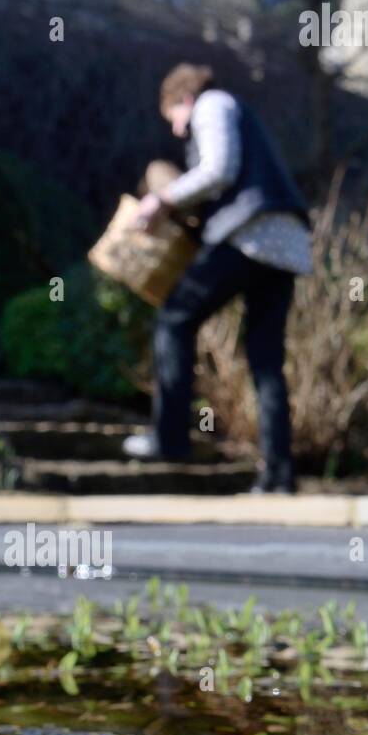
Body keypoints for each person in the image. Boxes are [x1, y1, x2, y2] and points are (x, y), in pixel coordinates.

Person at [128, 63, 312, 494]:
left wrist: (161, 200)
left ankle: (169, 439)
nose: (176, 131)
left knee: (174, 318)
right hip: (286, 244)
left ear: (184, 100)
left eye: (172, 117)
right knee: (266, 359)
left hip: (249, 236)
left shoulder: (213, 104)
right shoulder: (236, 112)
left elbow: (218, 170)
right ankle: (278, 476)